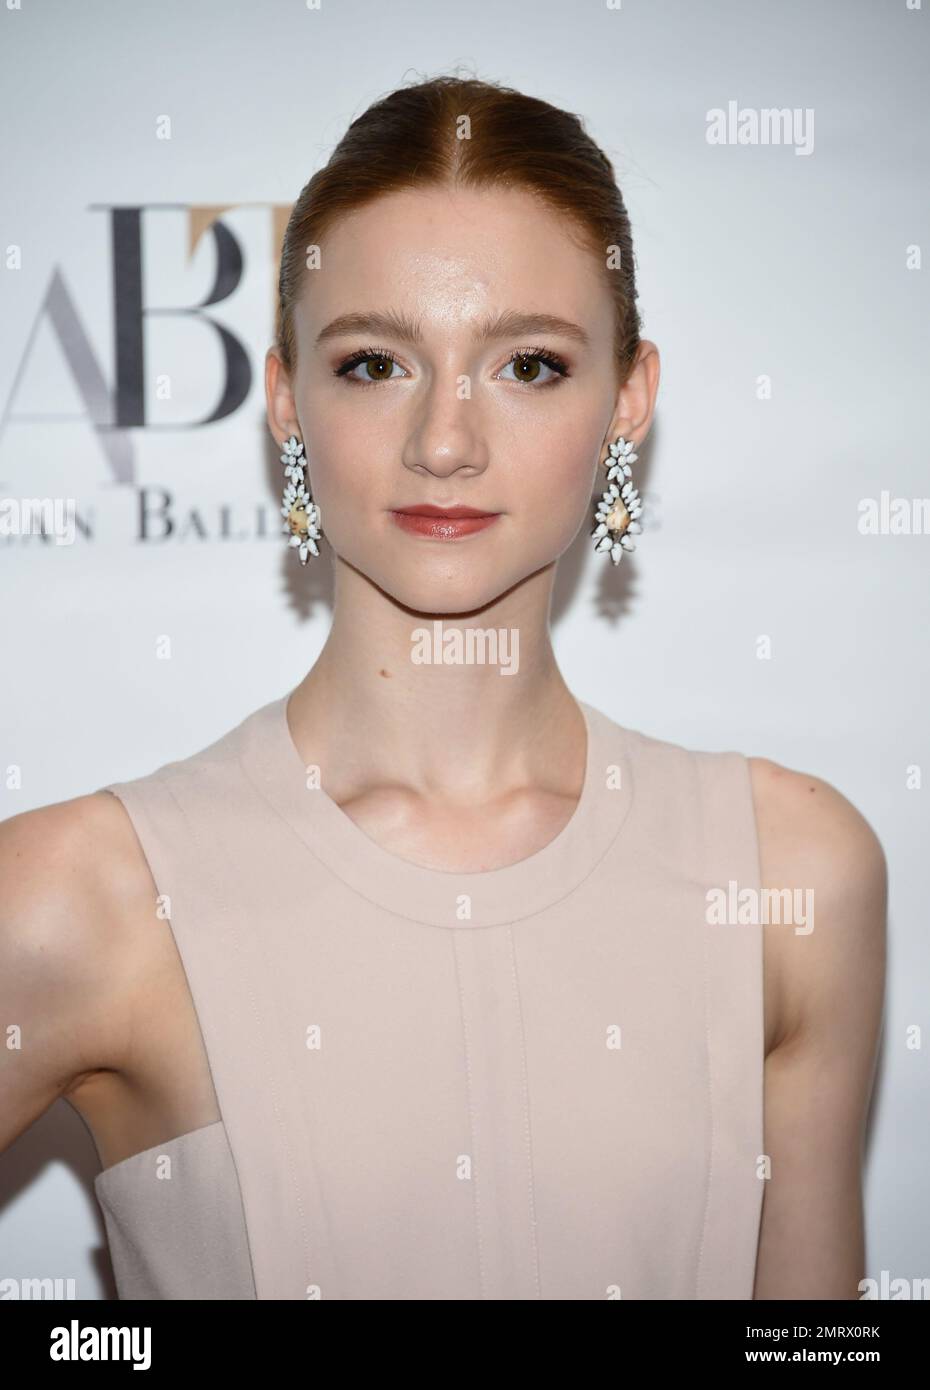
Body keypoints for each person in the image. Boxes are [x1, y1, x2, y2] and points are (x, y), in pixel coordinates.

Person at [0, 74, 886, 1301]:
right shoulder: (77, 897)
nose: (446, 441)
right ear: (283, 398)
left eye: (527, 363)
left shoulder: (790, 873)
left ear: (629, 399)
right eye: (373, 362)